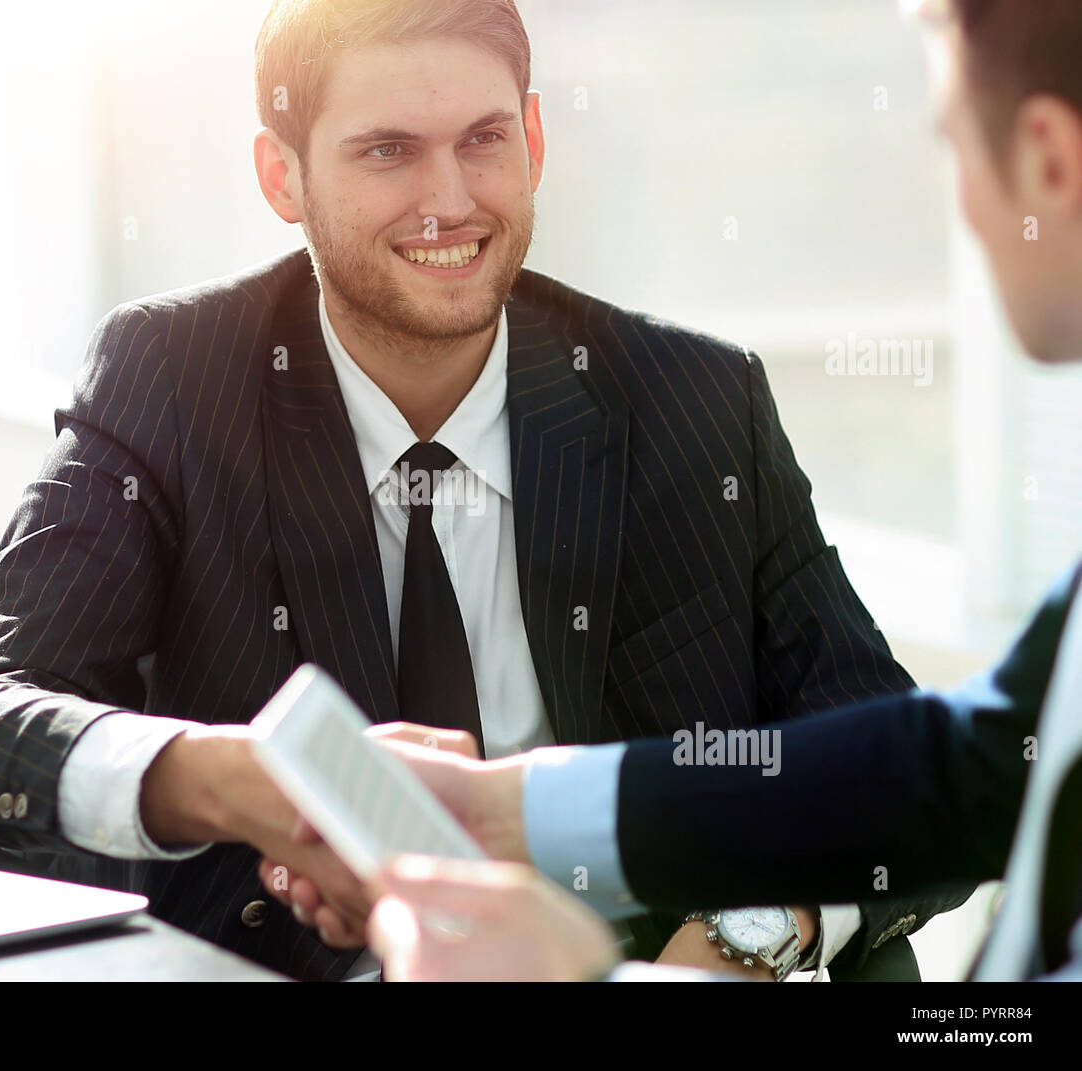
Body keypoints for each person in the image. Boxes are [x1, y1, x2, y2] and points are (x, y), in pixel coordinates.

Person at [0, 0, 949, 982]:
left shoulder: (694, 398)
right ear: (282, 178)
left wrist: (743, 935)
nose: (449, 201)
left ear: (533, 143)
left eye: (483, 140)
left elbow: (899, 757)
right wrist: (235, 780)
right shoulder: (171, 378)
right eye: (387, 150)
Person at [270, 0, 1082, 982]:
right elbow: (956, 770)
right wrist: (500, 808)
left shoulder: (695, 398)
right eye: (388, 151)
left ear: (1049, 163)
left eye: (951, 147)